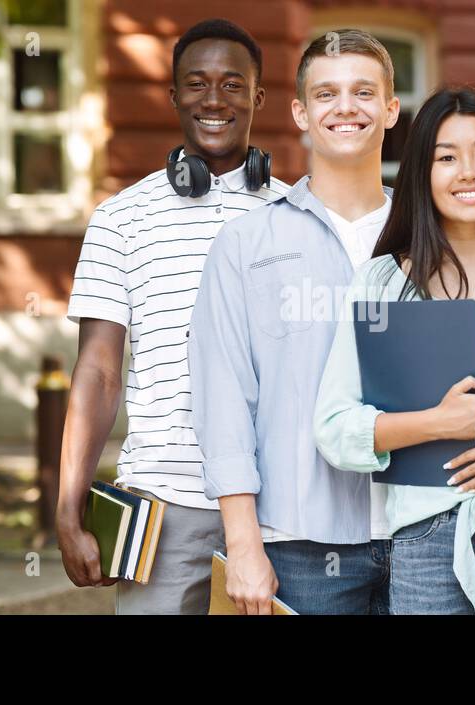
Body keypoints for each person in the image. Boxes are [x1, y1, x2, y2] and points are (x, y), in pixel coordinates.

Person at [56, 18, 289, 614]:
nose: (214, 100)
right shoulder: (120, 219)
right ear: (174, 95)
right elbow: (100, 372)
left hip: (284, 508)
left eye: (233, 85)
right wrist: (67, 503)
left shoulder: (296, 214)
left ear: (259, 98)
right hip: (164, 507)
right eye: (197, 84)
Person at [188, 29, 401, 615]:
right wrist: (243, 543)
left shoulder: (425, 238)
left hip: (422, 535)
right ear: (301, 114)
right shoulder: (246, 243)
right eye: (326, 94)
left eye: (363, 92)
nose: (346, 108)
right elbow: (224, 397)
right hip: (298, 546)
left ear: (390, 108)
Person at [314, 87, 475, 614]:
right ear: (421, 173)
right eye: (446, 158)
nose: (469, 172)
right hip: (428, 540)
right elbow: (335, 428)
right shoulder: (384, 283)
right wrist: (439, 422)